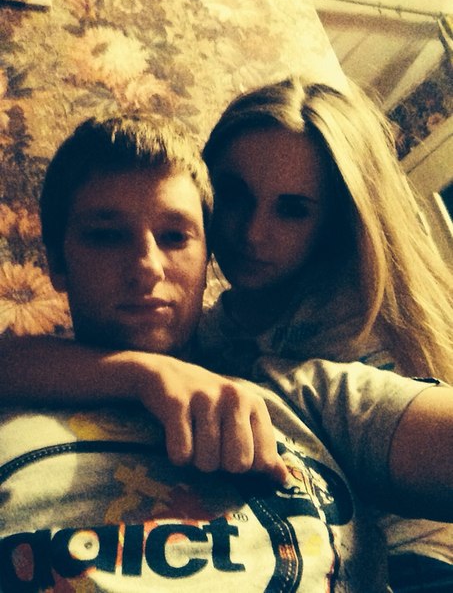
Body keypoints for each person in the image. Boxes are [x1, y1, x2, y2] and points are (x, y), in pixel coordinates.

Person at [0, 114, 452, 592]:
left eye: (175, 236)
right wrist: (142, 374)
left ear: (206, 255)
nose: (147, 267)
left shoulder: (306, 392)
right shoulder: (20, 390)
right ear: (58, 262)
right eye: (106, 235)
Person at [198, 76, 453, 590]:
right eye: (234, 195)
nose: (252, 233)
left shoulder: (362, 327)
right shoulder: (216, 325)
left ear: (334, 223)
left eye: (292, 209)